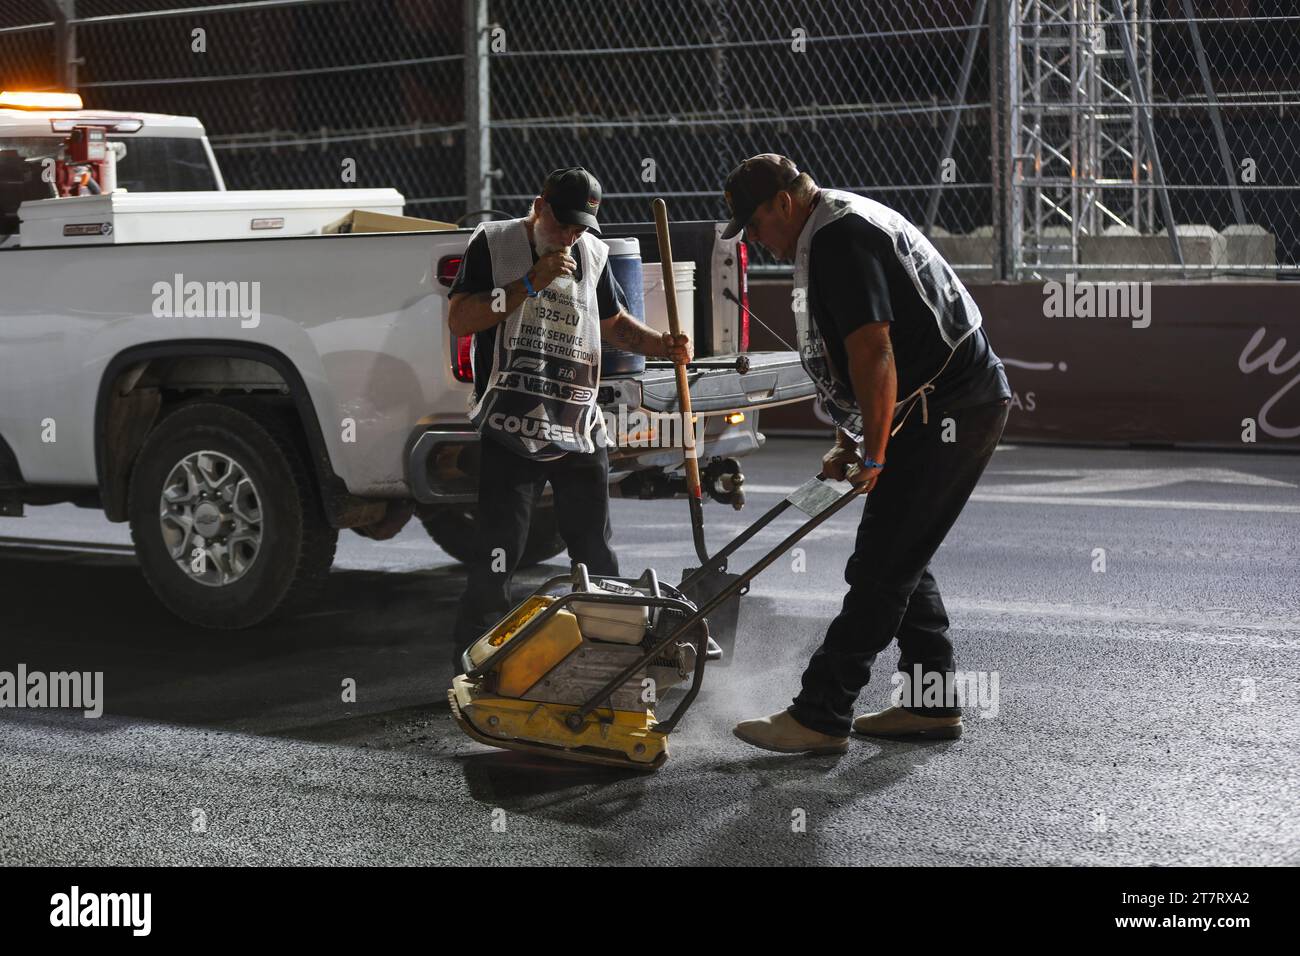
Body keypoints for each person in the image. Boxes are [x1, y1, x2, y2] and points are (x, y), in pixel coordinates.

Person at [721, 154, 1012, 754]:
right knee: (903, 554)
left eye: (755, 225)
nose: (756, 240)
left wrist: (874, 456)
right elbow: (860, 360)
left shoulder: (837, 239)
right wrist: (851, 441)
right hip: (944, 402)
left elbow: (874, 352)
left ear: (783, 202)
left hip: (949, 407)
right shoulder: (834, 223)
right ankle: (930, 706)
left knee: (880, 566)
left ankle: (821, 714)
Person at [447, 166, 690, 667]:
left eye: (581, 227)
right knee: (499, 554)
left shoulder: (591, 254)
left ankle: (612, 653)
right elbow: (462, 317)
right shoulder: (494, 244)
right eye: (563, 225)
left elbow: (614, 325)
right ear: (540, 205)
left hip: (578, 421)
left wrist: (660, 345)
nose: (571, 235)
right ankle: (477, 662)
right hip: (511, 423)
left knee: (595, 553)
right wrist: (527, 284)